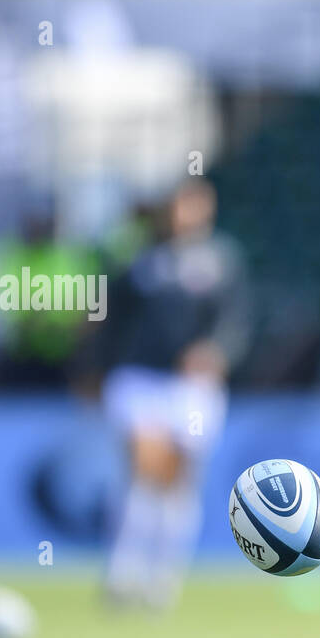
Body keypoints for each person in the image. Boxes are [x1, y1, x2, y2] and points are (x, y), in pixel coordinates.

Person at [98, 179, 250, 609]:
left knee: (178, 483)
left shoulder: (221, 260)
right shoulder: (138, 259)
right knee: (144, 473)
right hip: (141, 379)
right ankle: (122, 571)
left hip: (192, 387)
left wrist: (216, 351)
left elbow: (236, 321)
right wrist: (93, 368)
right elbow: (110, 319)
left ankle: (163, 577)